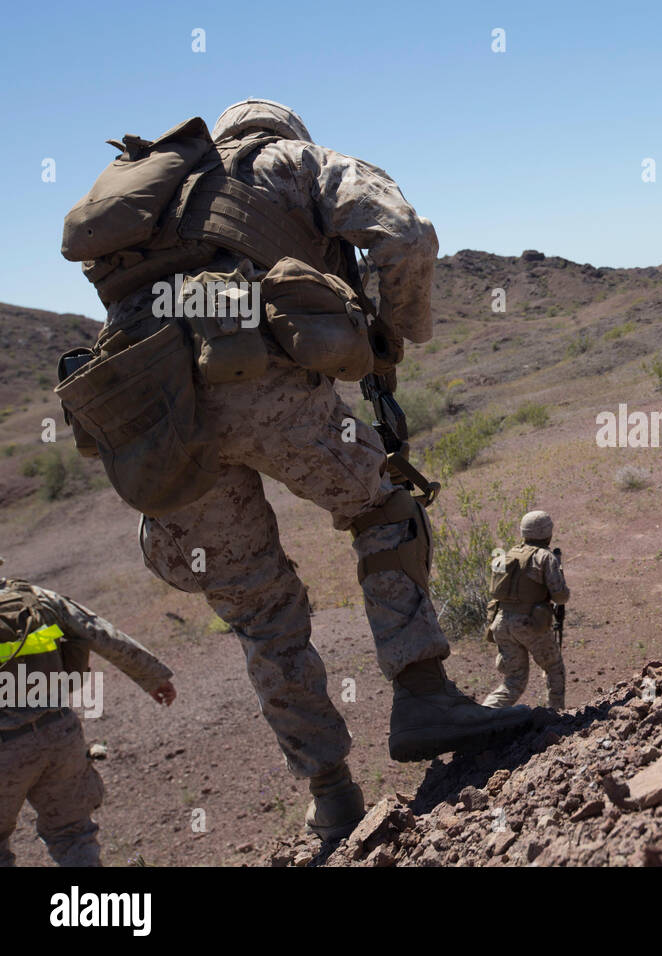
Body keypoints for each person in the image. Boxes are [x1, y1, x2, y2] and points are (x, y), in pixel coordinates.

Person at [60, 99, 533, 842]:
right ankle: (424, 696)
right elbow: (405, 233)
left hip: (158, 413)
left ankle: (331, 790)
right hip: (265, 382)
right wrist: (399, 330)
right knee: (383, 505)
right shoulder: (289, 162)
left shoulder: (153, 204)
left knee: (257, 607)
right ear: (285, 130)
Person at [0, 557, 175, 866]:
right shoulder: (35, 598)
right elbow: (97, 631)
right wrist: (152, 677)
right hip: (60, 733)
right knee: (72, 833)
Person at [483, 512, 570, 710]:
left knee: (513, 681)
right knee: (554, 669)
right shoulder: (545, 557)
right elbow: (560, 596)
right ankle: (557, 717)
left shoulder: (509, 554)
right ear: (548, 533)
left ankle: (484, 715)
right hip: (529, 624)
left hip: (501, 624)